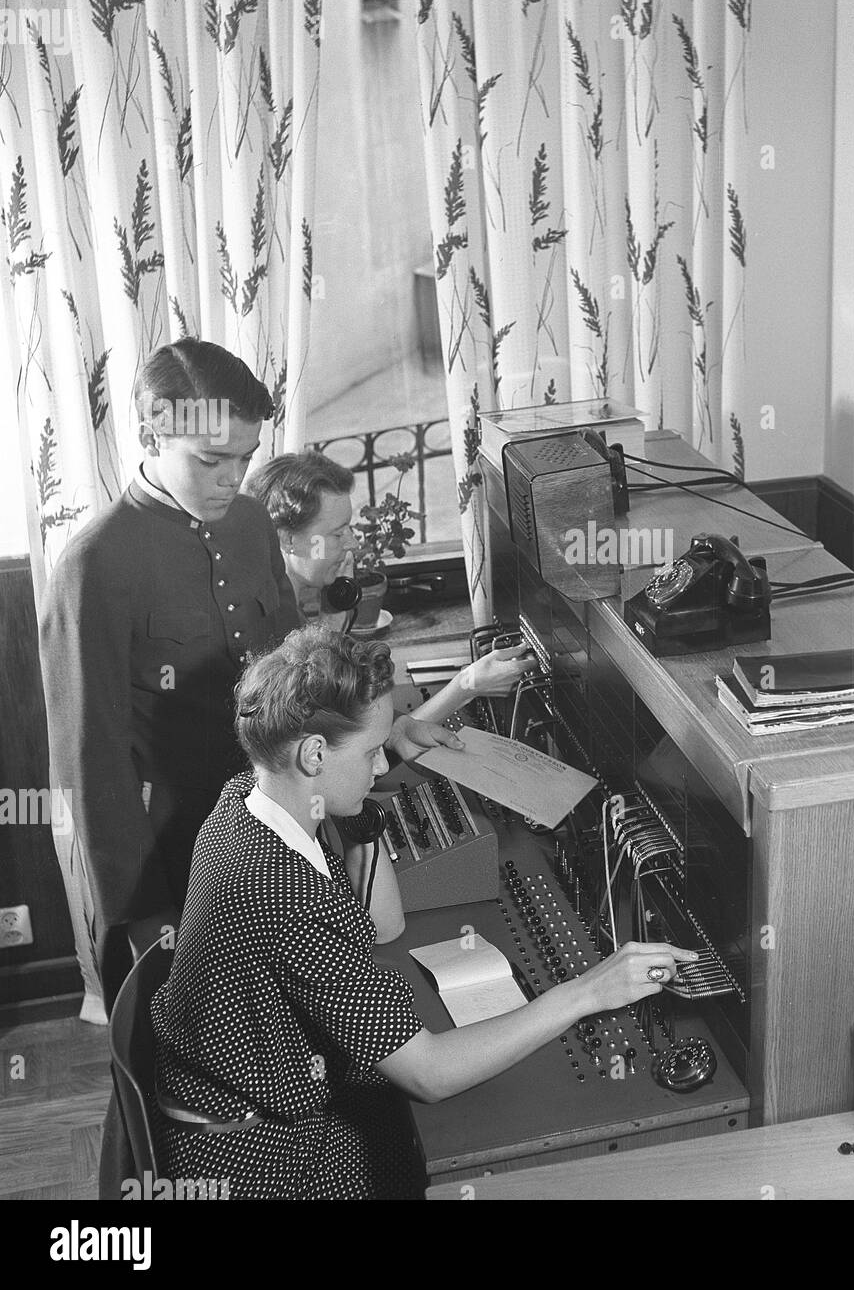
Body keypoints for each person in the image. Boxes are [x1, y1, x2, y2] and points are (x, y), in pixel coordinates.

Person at [150, 626, 695, 1199]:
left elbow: (383, 923)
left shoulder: (244, 800)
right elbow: (429, 1074)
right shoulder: (282, 892)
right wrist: (588, 991)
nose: (383, 767)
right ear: (313, 754)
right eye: (369, 754)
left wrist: (355, 800)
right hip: (256, 1156)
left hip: (250, 1100)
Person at [39, 339, 460, 1011]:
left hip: (275, 837)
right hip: (172, 867)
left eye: (244, 457)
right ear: (152, 433)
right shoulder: (95, 564)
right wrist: (144, 914)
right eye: (209, 460)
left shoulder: (250, 525)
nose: (231, 479)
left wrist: (375, 735)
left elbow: (299, 681)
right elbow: (89, 769)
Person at [244, 450, 536, 713]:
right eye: (337, 534)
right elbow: (356, 738)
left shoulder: (287, 608)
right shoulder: (274, 632)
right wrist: (466, 686)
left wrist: (333, 618)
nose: (352, 544)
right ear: (288, 540)